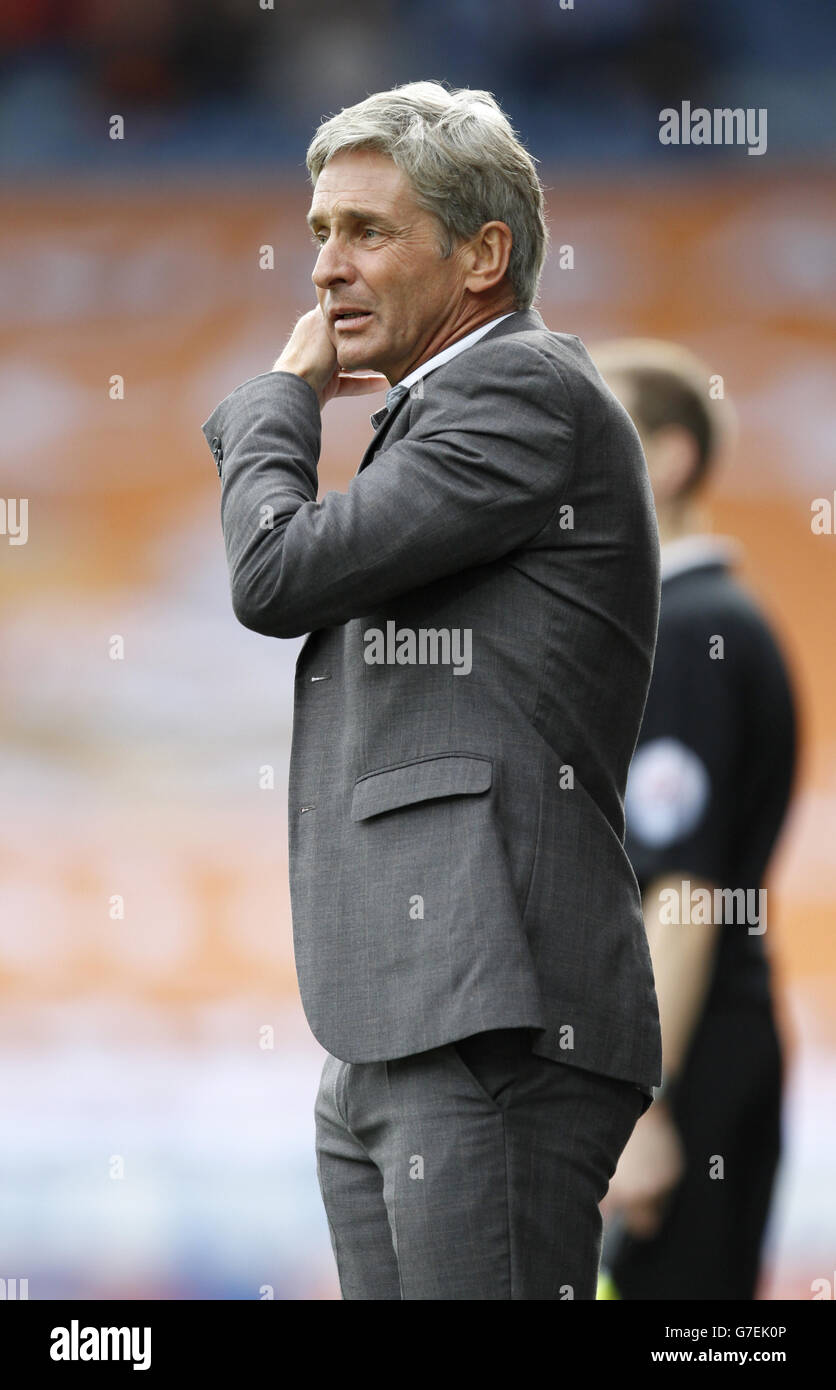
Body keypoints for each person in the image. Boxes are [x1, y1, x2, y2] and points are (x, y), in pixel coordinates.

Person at [202, 81, 662, 1300]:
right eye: (316, 234)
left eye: (365, 231)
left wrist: (277, 403)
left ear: (482, 254)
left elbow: (273, 569)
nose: (325, 269)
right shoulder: (443, 415)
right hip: (405, 1018)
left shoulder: (520, 390)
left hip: (491, 1017)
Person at [593, 339, 798, 1300]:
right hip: (713, 1047)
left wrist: (641, 1105)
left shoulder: (686, 632)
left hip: (692, 1064)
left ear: (667, 459)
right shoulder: (697, 621)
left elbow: (682, 897)